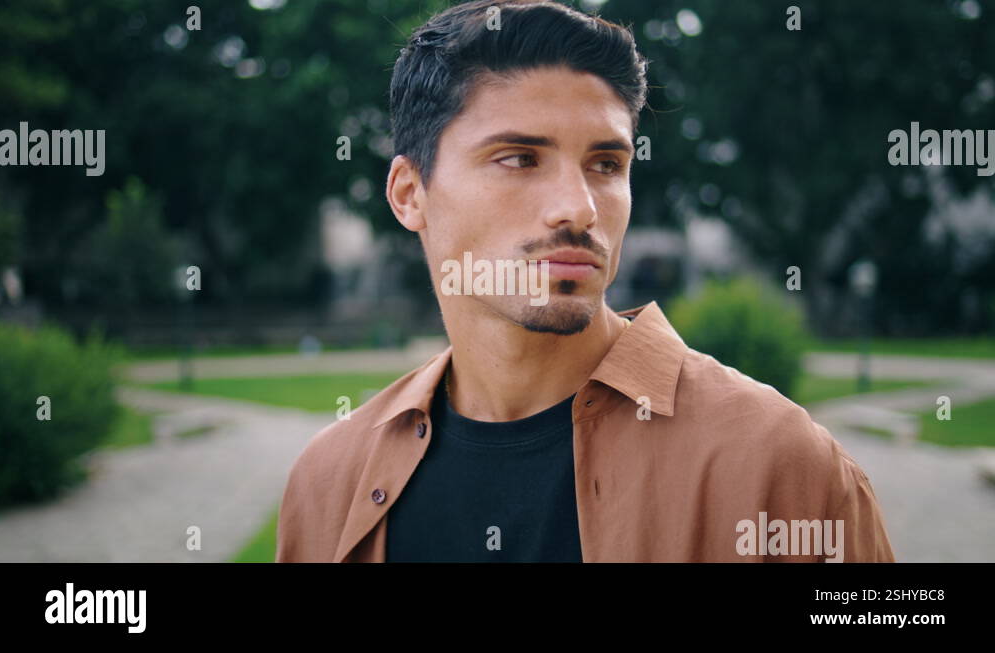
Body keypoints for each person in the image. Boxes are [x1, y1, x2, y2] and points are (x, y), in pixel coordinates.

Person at [275, 0, 895, 563]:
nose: (579, 208)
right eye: (520, 158)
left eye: (605, 164)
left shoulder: (777, 465)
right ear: (410, 195)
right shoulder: (328, 480)